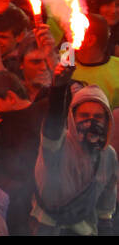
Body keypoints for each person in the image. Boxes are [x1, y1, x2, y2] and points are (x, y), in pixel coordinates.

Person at [31, 63, 117, 234]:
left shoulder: (108, 156)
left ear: (107, 121)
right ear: (72, 117)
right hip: (49, 229)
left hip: (86, 230)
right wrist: (59, 87)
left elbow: (105, 209)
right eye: (84, 115)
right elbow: (52, 123)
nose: (91, 121)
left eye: (98, 116)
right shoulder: (57, 144)